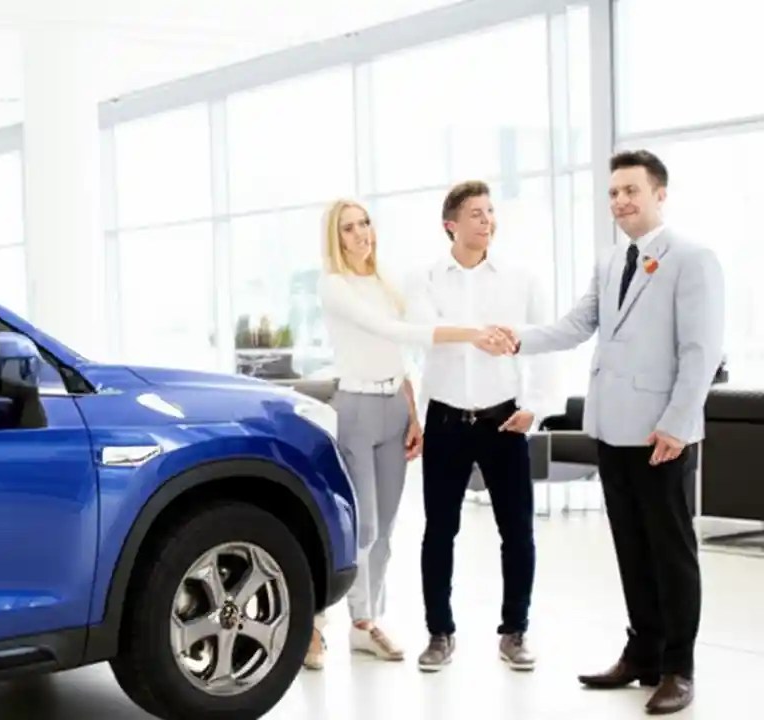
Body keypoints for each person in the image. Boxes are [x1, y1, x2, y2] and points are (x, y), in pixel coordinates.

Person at [501, 150, 724, 714]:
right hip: (613, 429)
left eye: (631, 191)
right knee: (632, 547)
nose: (620, 202)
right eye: (613, 193)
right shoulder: (611, 261)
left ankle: (679, 666)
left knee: (671, 551)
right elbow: (579, 324)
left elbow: (700, 352)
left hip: (661, 434)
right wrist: (518, 338)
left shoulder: (692, 259)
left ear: (659, 195)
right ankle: (643, 652)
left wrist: (678, 422)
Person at [306, 198, 513, 670]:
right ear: (335, 238)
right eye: (349, 228)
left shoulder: (384, 282)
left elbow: (398, 357)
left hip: (393, 407)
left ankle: (365, 622)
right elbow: (396, 330)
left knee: (387, 532)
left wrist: (413, 413)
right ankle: (315, 620)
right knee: (362, 526)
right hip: (355, 407)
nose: (361, 234)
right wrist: (471, 333)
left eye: (364, 223)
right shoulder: (333, 285)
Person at [406, 180, 556, 674]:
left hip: (505, 419)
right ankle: (439, 632)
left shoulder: (520, 278)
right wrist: (477, 335)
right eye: (475, 212)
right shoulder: (425, 279)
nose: (486, 219)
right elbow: (427, 335)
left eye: (490, 211)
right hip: (447, 419)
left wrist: (535, 405)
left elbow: (541, 344)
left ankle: (515, 631)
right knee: (439, 532)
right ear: (450, 223)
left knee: (517, 531)